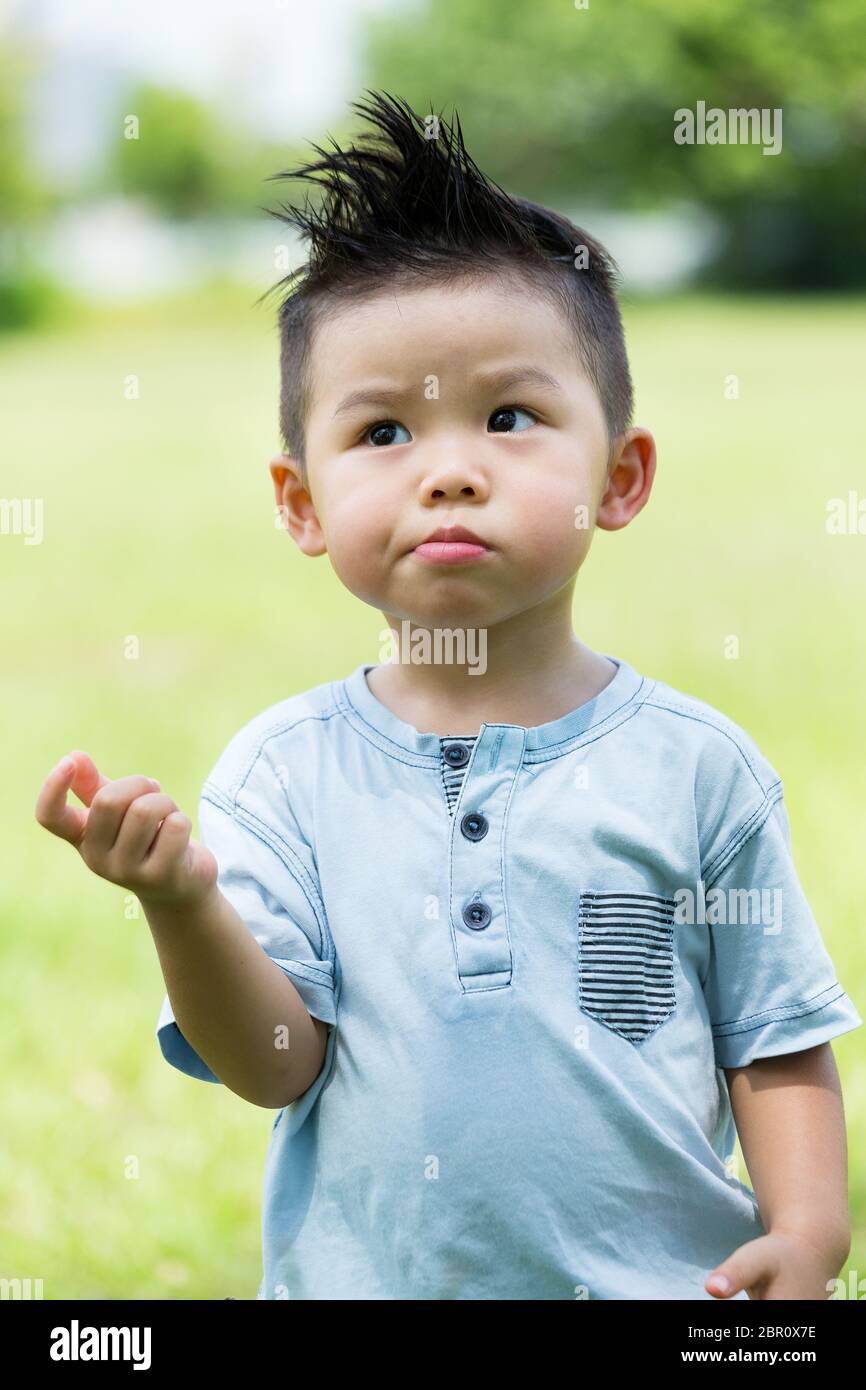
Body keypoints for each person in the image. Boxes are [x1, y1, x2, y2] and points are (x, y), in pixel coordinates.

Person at [35, 91, 861, 1301]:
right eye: (381, 431)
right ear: (300, 504)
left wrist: (808, 1230)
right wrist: (180, 902)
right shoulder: (283, 773)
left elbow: (771, 1036)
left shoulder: (697, 769)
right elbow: (274, 1065)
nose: (450, 471)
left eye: (509, 416)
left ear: (619, 476)